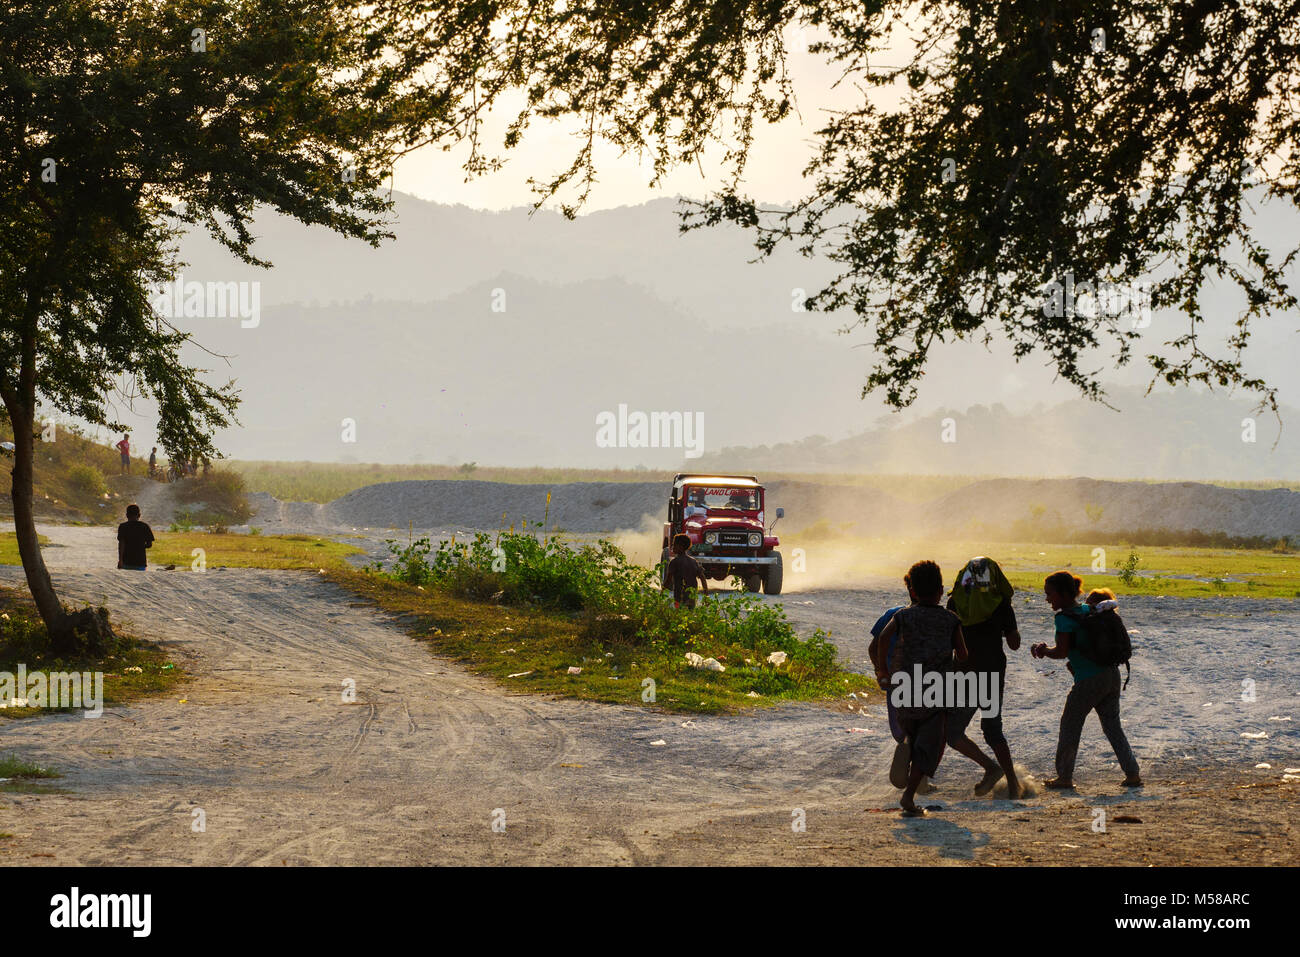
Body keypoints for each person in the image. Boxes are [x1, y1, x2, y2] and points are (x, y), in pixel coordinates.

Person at [1032, 571, 1142, 790]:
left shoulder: (1063, 618)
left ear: (1063, 594)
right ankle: (1132, 774)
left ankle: (1064, 777)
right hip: (1111, 675)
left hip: (1089, 680)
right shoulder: (1087, 609)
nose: (1047, 599)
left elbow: (1062, 652)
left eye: (1050, 594)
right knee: (1112, 727)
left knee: (1070, 725)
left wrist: (1043, 651)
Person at [875, 560, 968, 816]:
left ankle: (906, 745)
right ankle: (908, 795)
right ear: (940, 590)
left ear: (912, 591)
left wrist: (883, 671)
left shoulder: (903, 616)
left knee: (912, 731)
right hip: (935, 691)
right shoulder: (951, 620)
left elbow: (883, 638)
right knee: (928, 744)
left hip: (904, 687)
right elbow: (962, 653)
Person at [945, 556, 1023, 798]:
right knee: (992, 728)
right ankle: (1012, 782)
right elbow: (1014, 644)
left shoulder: (955, 602)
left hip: (964, 673)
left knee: (953, 732)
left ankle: (990, 767)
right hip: (992, 673)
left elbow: (949, 642)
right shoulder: (1000, 604)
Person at [664, 533, 709, 609]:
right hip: (692, 597)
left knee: (680, 616)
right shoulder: (694, 561)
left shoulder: (674, 562)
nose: (672, 547)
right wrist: (706, 595)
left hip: (679, 597)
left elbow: (668, 581)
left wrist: (662, 592)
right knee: (689, 615)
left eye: (674, 545)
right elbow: (702, 578)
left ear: (681, 547)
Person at [117, 503, 155, 571]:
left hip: (126, 562)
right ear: (139, 515)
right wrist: (140, 545)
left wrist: (120, 560)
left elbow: (121, 544)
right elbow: (149, 545)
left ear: (126, 515)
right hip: (140, 562)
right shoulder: (144, 526)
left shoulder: (123, 526)